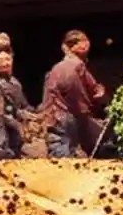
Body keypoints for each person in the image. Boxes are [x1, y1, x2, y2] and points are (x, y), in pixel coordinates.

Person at [42, 29, 107, 158]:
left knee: (60, 153)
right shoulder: (78, 66)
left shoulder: (55, 69)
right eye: (83, 42)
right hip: (70, 116)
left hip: (54, 117)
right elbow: (96, 92)